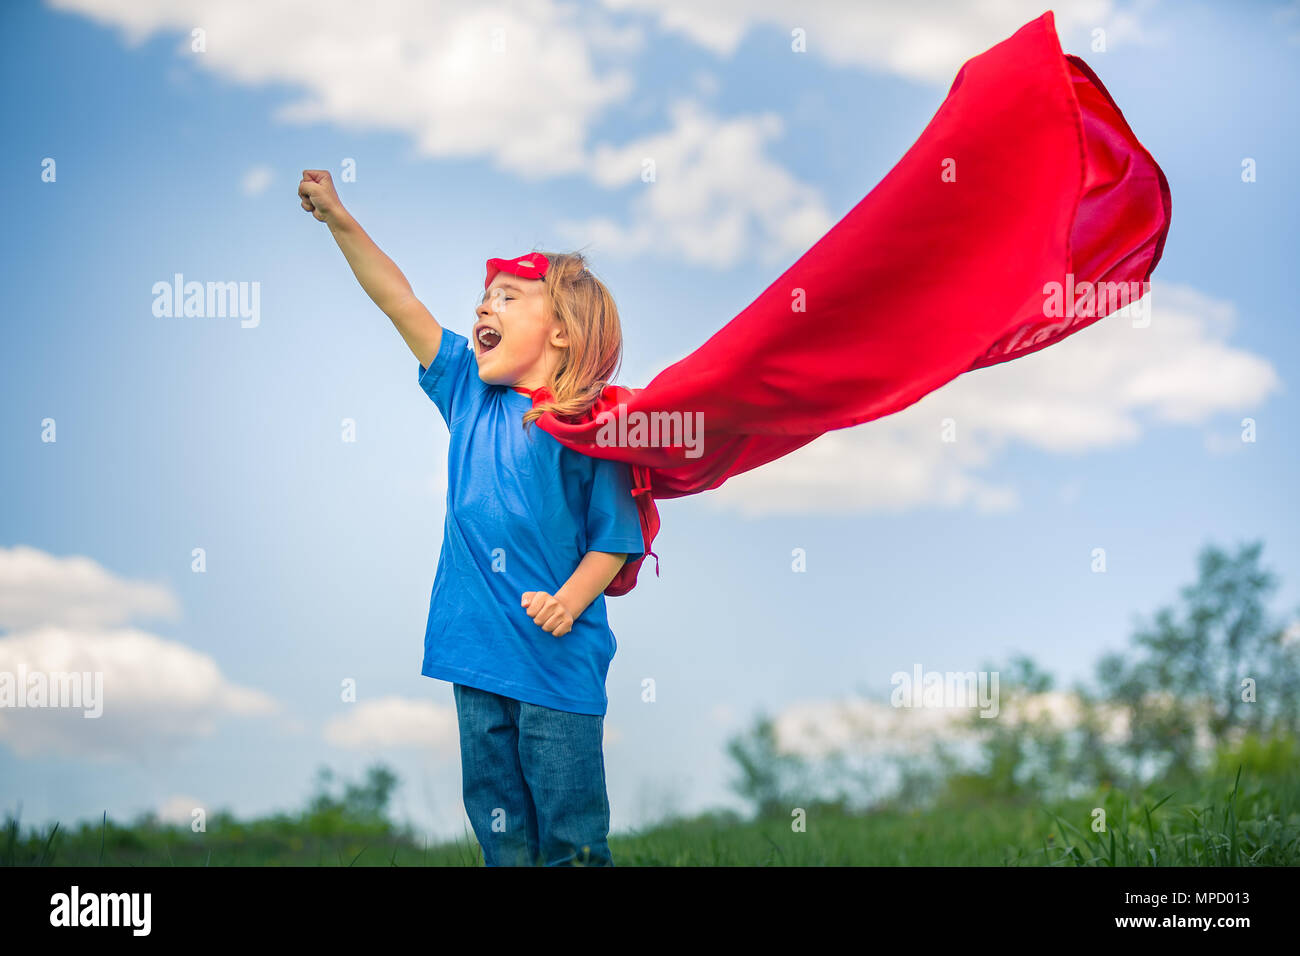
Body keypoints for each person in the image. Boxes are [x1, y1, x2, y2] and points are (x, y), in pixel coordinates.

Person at [298, 170, 643, 866]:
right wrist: (339, 218)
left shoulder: (589, 430)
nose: (484, 307)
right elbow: (399, 300)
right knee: (502, 835)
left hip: (557, 668)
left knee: (571, 836)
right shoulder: (466, 393)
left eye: (508, 298)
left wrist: (569, 603)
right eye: (484, 297)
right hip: (474, 655)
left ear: (564, 336)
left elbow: (615, 539)